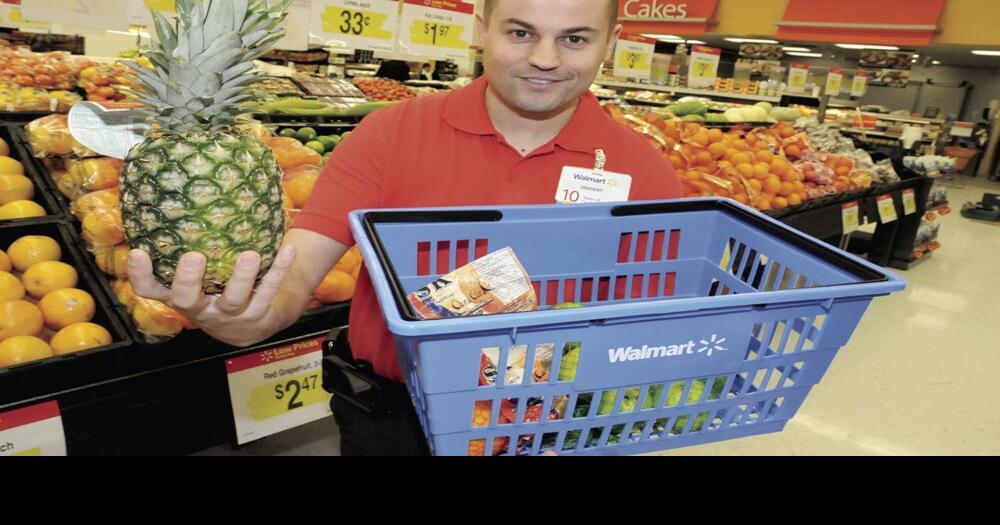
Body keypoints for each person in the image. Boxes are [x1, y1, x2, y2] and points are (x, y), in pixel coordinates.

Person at [128, 0, 681, 456]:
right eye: (520, 32)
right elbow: (296, 273)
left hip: (552, 428)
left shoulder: (647, 171)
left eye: (575, 39)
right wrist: (246, 316)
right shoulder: (387, 135)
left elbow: (650, 330)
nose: (544, 59)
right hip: (393, 423)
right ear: (482, 30)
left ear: (610, 44)